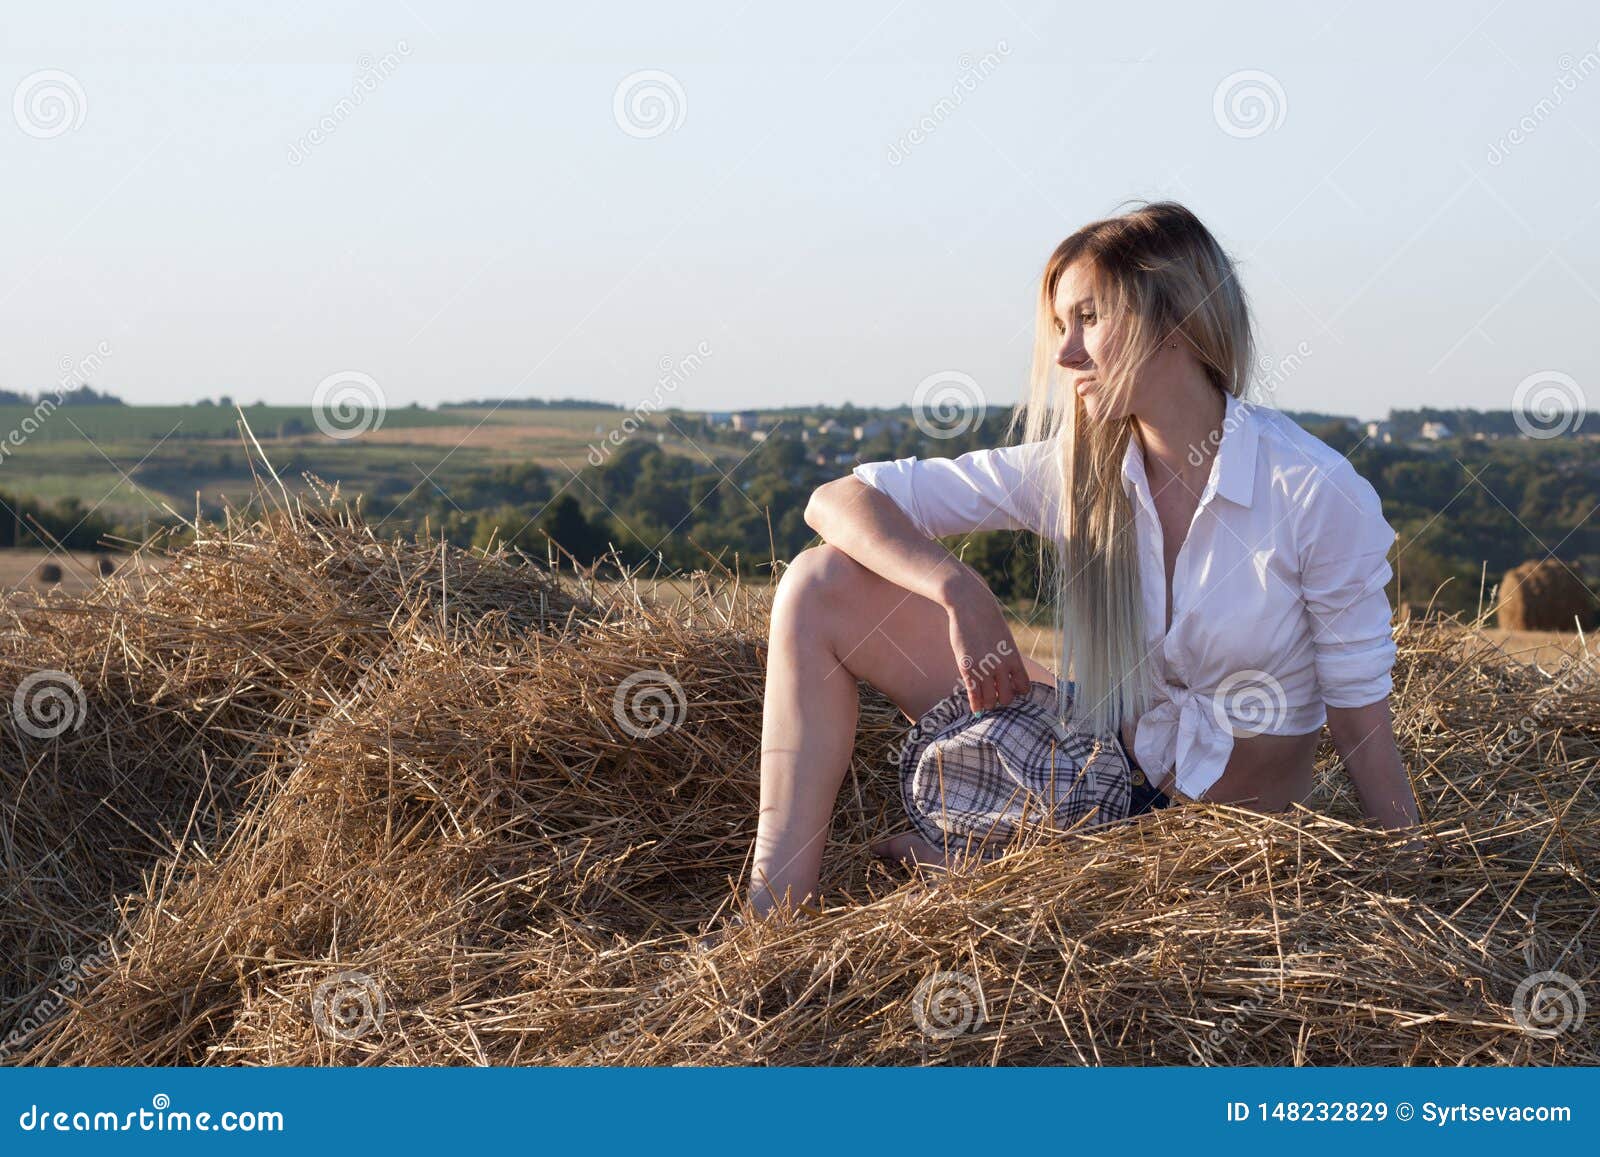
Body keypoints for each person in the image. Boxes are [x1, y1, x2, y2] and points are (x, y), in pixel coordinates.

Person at [746, 201, 1420, 921]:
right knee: (819, 585)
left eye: (1089, 319)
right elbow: (839, 498)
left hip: (1220, 850)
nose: (1066, 354)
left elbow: (1360, 723)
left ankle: (1003, 866)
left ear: (1175, 320)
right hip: (1095, 776)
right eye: (1061, 326)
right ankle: (772, 913)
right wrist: (958, 587)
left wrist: (1418, 886)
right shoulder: (1078, 470)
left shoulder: (1313, 490)